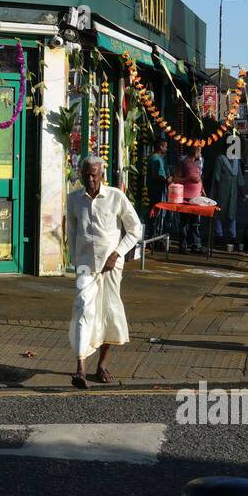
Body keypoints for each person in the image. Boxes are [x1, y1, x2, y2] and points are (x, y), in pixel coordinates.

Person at [66, 155, 143, 389]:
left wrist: (117, 253)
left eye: (95, 175)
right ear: (80, 174)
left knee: (108, 312)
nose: (90, 179)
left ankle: (101, 365)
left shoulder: (116, 197)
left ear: (102, 175)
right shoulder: (73, 200)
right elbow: (72, 231)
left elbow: (135, 229)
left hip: (111, 266)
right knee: (82, 309)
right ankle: (80, 368)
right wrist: (74, 260)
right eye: (87, 174)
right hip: (85, 266)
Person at [211, 138, 246, 251]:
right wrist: (214, 194)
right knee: (219, 213)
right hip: (222, 192)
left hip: (233, 193)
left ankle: (232, 236)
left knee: (232, 214)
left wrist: (243, 194)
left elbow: (240, 179)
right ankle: (219, 235)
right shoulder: (220, 159)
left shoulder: (236, 161)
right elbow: (216, 177)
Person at [172, 144, 206, 251]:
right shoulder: (184, 162)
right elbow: (176, 179)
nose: (200, 152)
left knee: (195, 222)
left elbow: (199, 179)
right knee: (184, 223)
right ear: (194, 151)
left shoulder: (197, 164)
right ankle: (183, 245)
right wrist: (188, 178)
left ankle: (195, 245)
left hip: (197, 198)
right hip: (186, 198)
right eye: (199, 150)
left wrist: (203, 190)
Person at [146, 137, 170, 233]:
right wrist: (167, 180)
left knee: (155, 213)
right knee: (157, 214)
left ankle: (154, 235)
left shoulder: (155, 158)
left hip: (155, 190)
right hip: (157, 191)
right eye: (165, 147)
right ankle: (155, 236)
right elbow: (157, 177)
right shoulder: (156, 159)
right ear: (160, 147)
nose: (166, 149)